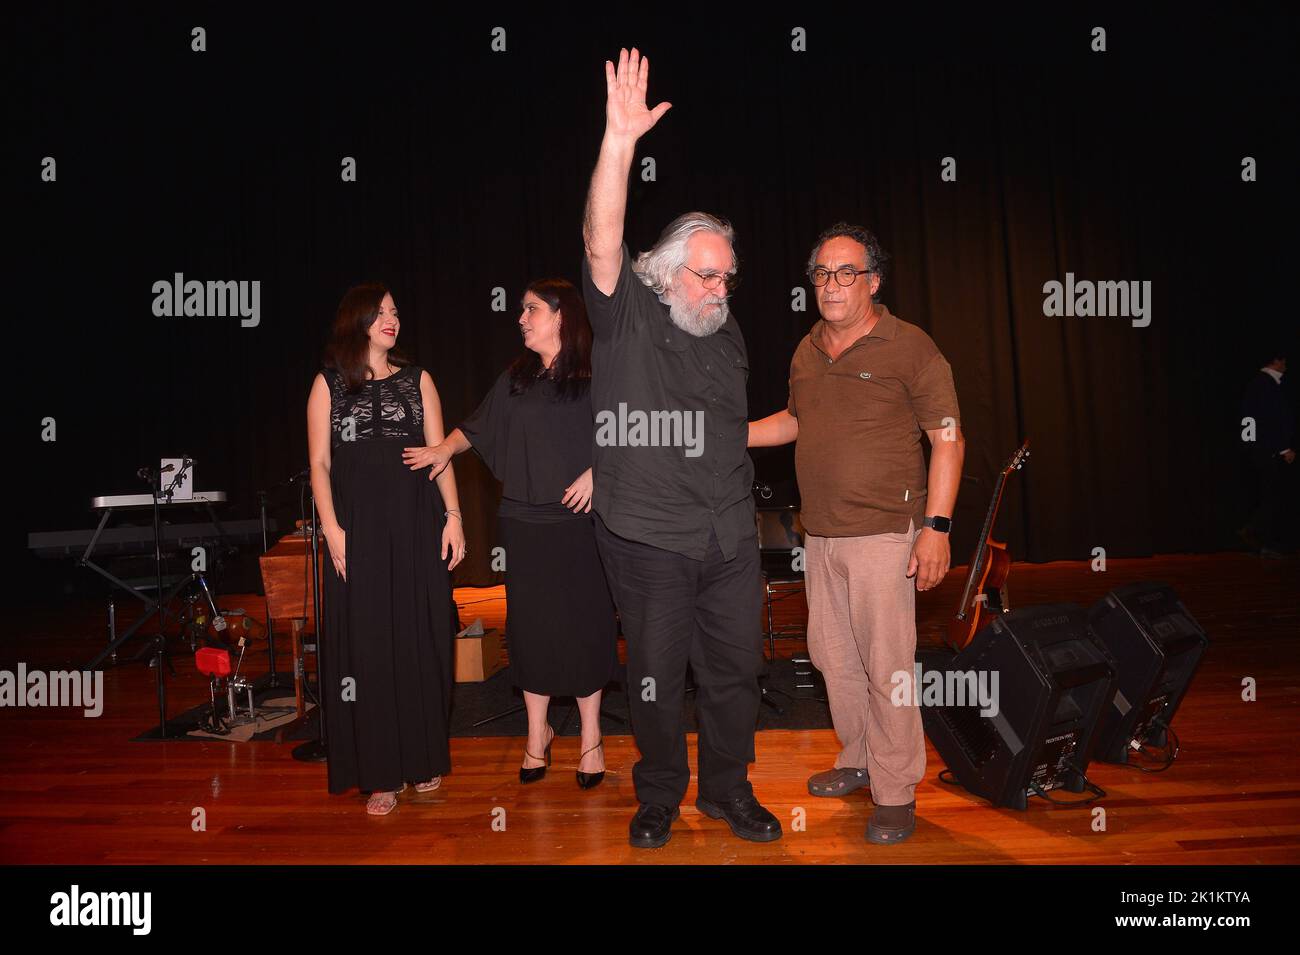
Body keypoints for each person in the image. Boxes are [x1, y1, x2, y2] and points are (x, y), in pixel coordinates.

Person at [582, 47, 780, 849]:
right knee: (657, 683)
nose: (718, 290)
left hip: (730, 535)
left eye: (727, 279)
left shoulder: (727, 335)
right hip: (650, 538)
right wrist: (620, 141)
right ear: (667, 273)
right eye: (705, 277)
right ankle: (660, 792)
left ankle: (727, 791)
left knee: (737, 676)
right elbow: (602, 238)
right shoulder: (628, 311)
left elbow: (725, 430)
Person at [749, 224, 965, 845]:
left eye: (846, 272)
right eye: (821, 273)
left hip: (885, 536)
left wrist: (937, 527)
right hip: (819, 536)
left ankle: (896, 790)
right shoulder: (807, 349)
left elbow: (947, 437)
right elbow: (793, 420)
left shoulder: (911, 347)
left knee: (887, 666)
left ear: (873, 281)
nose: (832, 284)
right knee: (834, 660)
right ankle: (858, 758)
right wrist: (731, 433)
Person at [409, 279, 617, 788]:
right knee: (531, 628)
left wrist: (599, 470)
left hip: (581, 524)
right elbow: (476, 427)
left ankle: (591, 739)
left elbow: (627, 432)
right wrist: (442, 451)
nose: (520, 318)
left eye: (531, 310)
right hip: (525, 523)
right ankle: (536, 734)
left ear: (561, 316)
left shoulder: (599, 374)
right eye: (522, 309)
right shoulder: (516, 378)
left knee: (585, 625)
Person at [306, 283, 466, 815]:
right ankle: (379, 774)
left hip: (416, 524)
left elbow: (440, 453)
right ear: (358, 321)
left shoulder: (419, 379)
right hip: (359, 532)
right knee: (369, 645)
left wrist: (454, 517)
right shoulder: (329, 384)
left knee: (420, 636)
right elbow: (321, 466)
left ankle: (421, 759)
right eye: (381, 313)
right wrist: (332, 529)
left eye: (395, 312)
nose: (392, 320)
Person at [1240, 350, 1296, 556]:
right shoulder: (1266, 385)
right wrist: (1282, 448)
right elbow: (1271, 420)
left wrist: (1250, 446)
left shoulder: (1257, 384)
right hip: (1268, 450)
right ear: (1276, 361)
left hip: (1260, 449)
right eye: (1284, 361)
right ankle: (1258, 535)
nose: (1286, 365)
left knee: (1270, 496)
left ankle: (1261, 540)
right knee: (1273, 497)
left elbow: (1250, 420)